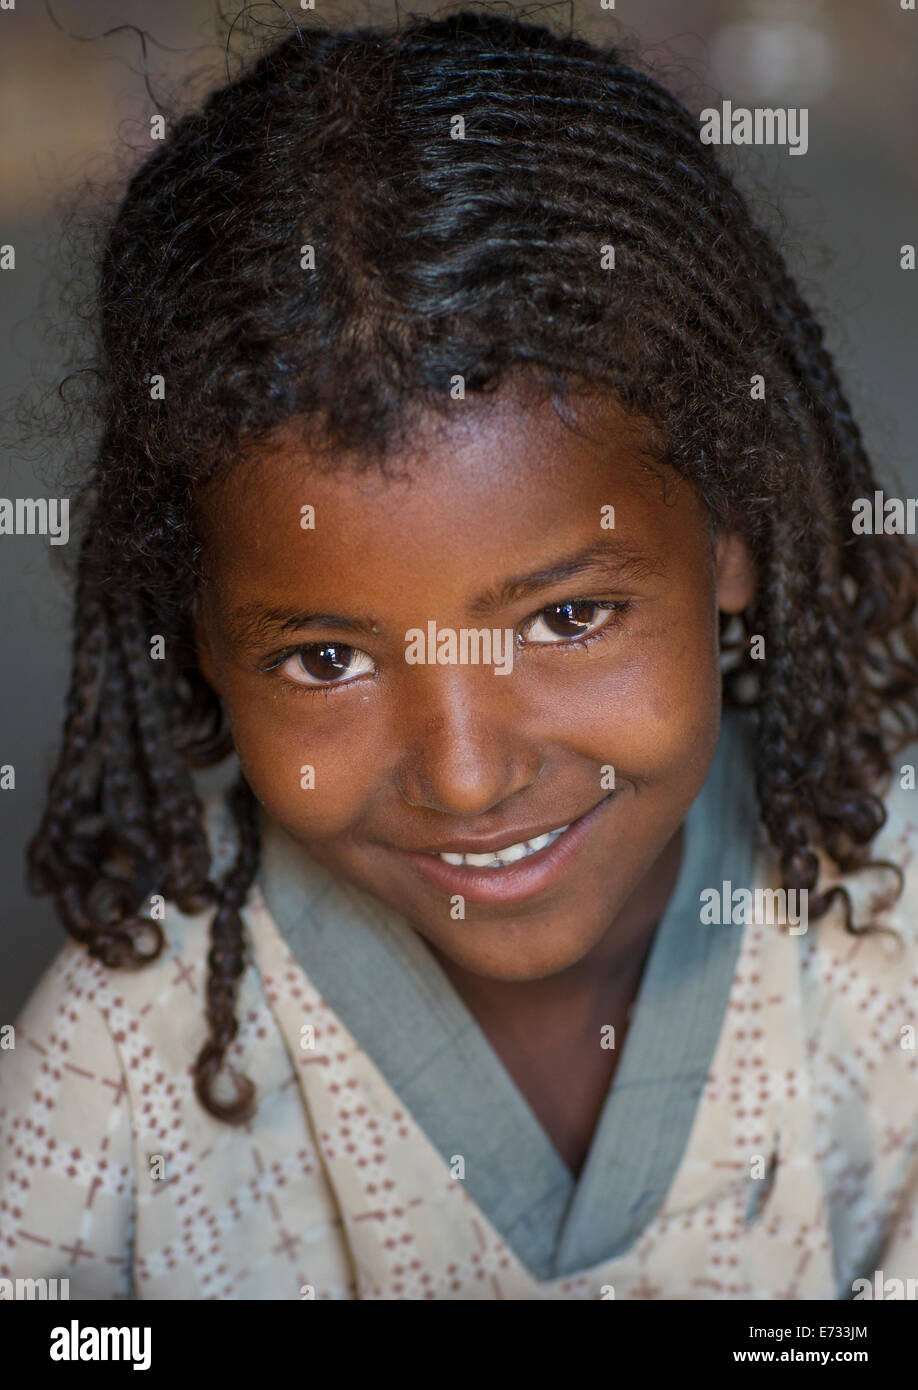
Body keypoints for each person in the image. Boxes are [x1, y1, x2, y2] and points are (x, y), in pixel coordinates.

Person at [2, 8, 917, 1301]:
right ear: (201, 635)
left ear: (731, 533)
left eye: (564, 617)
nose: (469, 773)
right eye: (327, 657)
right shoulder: (122, 1061)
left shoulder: (888, 939)